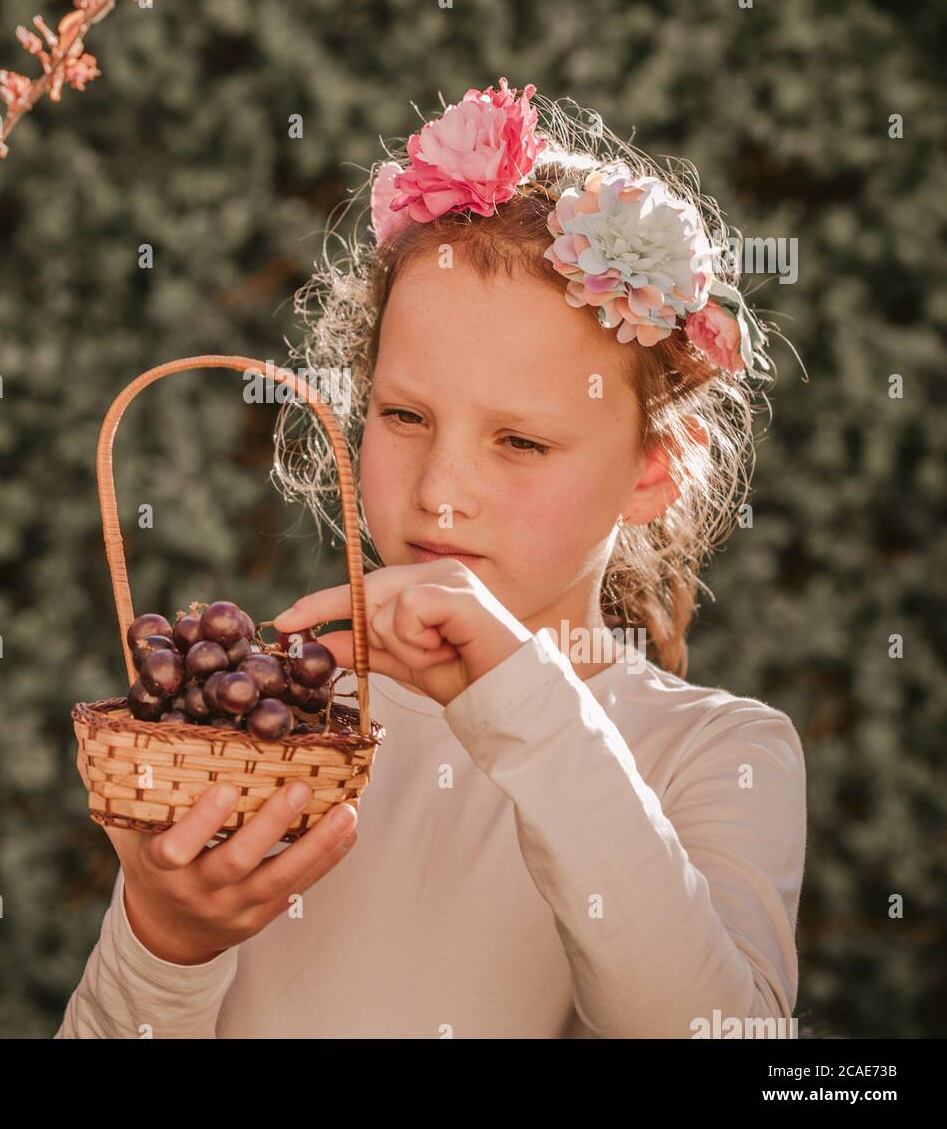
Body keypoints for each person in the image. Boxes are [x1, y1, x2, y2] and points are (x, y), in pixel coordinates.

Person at [55, 79, 807, 1039]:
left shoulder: (716, 756)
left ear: (655, 471)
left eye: (521, 443)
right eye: (404, 417)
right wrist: (164, 942)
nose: (440, 493)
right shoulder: (266, 726)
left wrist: (527, 704)